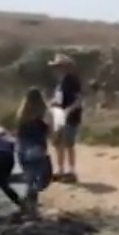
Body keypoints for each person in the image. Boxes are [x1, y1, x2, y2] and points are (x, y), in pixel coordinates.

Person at [15, 88, 53, 215]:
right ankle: (31, 206)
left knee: (29, 178)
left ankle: (28, 206)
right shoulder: (45, 113)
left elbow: (18, 134)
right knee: (39, 178)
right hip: (37, 147)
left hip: (22, 148)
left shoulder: (22, 114)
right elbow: (50, 130)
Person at [49, 54, 84, 183]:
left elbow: (78, 100)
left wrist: (68, 111)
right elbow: (59, 98)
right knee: (58, 144)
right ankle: (61, 170)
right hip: (60, 116)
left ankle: (71, 171)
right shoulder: (61, 82)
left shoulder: (73, 81)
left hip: (70, 117)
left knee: (68, 144)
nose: (56, 69)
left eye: (59, 66)